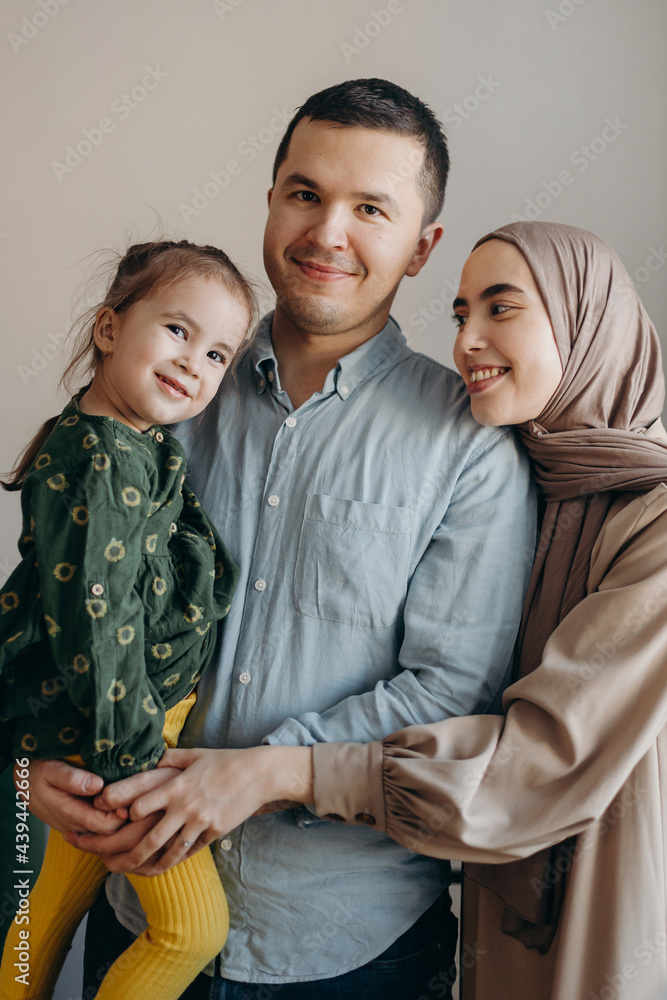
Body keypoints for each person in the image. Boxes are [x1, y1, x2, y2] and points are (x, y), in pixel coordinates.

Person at [24, 80, 536, 1000]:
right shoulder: (164, 393)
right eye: (305, 193)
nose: (326, 232)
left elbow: (454, 692)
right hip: (136, 912)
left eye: (369, 208)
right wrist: (28, 758)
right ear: (269, 201)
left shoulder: (469, 448)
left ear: (421, 249)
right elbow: (58, 602)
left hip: (348, 946)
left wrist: (263, 774)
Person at [155, 221, 667, 1000]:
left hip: (596, 904)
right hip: (485, 920)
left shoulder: (651, 523)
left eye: (502, 308)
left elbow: (538, 760)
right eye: (462, 314)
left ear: (585, 321)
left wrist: (278, 771)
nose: (469, 340)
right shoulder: (551, 490)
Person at [0, 240, 255, 999]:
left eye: (217, 354)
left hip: (102, 731)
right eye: (177, 330)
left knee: (49, 907)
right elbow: (99, 628)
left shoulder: (127, 443)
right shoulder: (104, 464)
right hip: (120, 739)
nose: (193, 364)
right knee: (192, 929)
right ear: (109, 328)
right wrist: (135, 765)